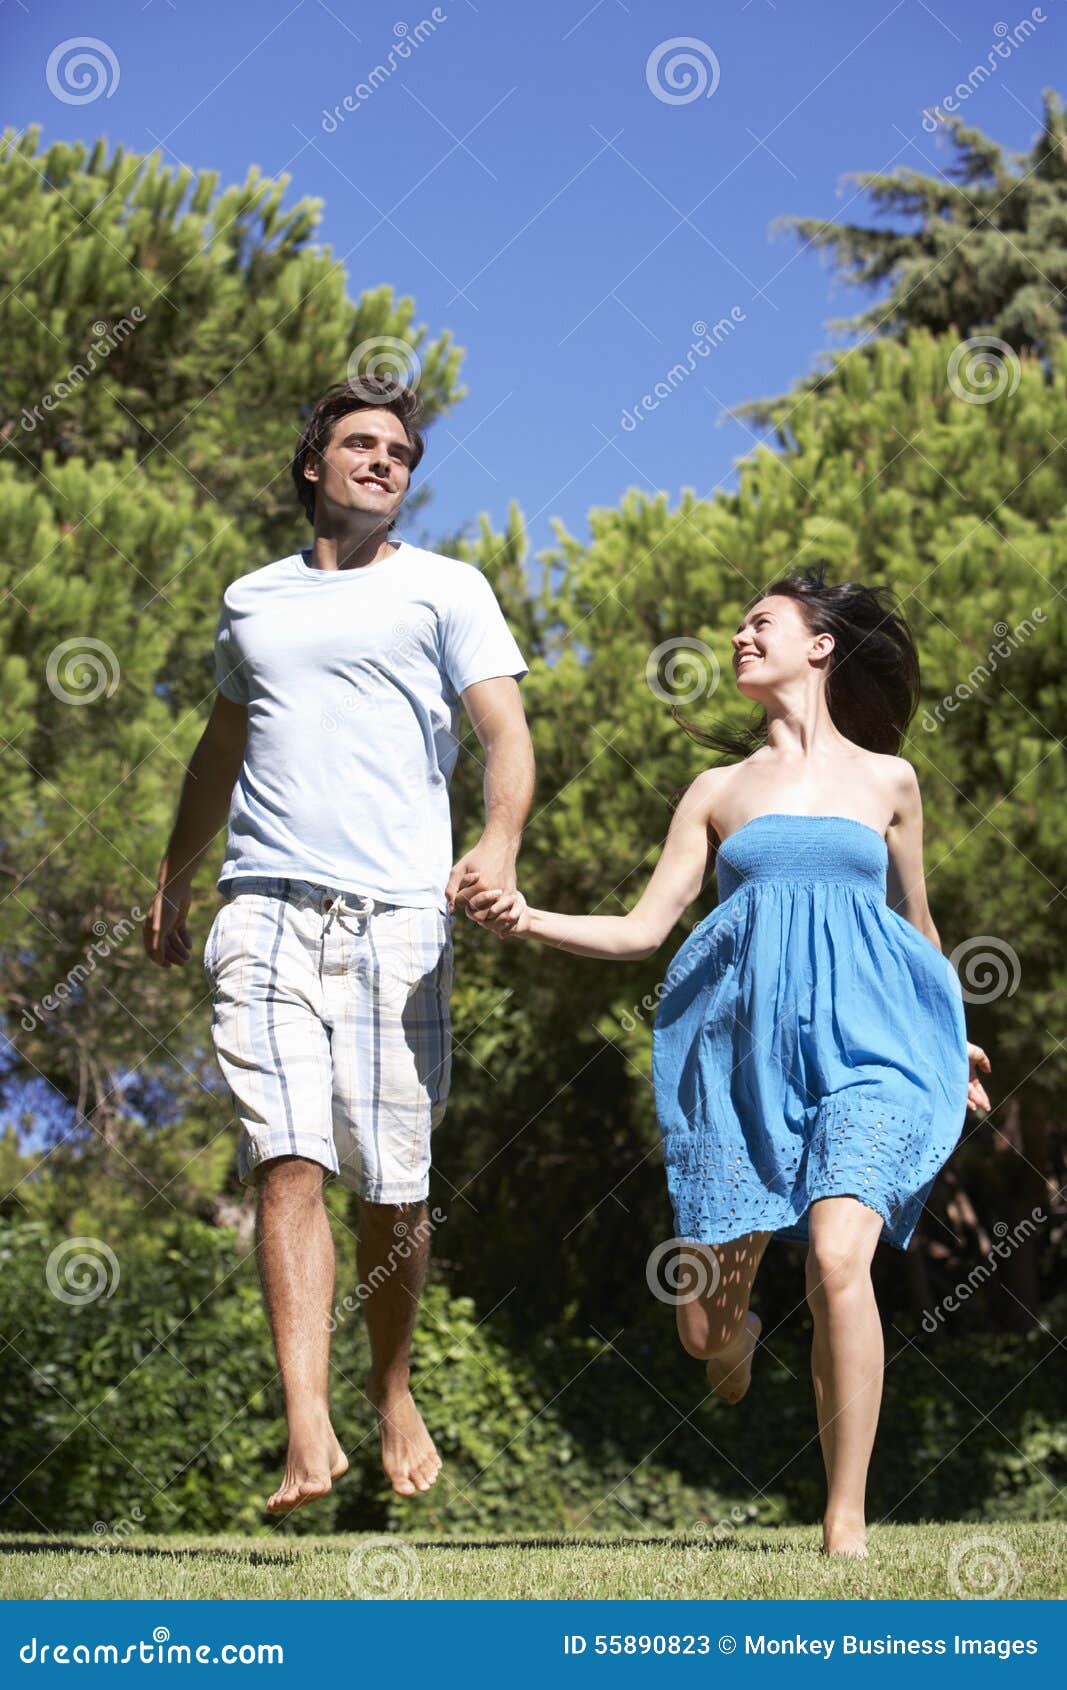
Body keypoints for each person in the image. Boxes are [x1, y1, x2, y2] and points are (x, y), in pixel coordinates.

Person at [465, 567, 991, 1558]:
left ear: (819, 645)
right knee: (705, 1334)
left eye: (760, 624)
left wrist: (946, 1033)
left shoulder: (888, 782)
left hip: (872, 1055)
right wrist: (524, 914)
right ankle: (732, 1341)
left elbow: (917, 930)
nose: (740, 639)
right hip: (743, 1069)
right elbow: (640, 930)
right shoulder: (716, 792)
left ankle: (843, 1523)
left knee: (841, 1260)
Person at [143, 376, 535, 1513]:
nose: (382, 461)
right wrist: (173, 872)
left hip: (400, 916)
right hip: (261, 899)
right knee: (288, 1154)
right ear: (313, 464)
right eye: (360, 444)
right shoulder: (252, 599)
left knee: (395, 1188)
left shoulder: (446, 590)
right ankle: (306, 1426)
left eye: (400, 453)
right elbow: (220, 748)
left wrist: (498, 844)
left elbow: (504, 731)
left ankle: (389, 1381)